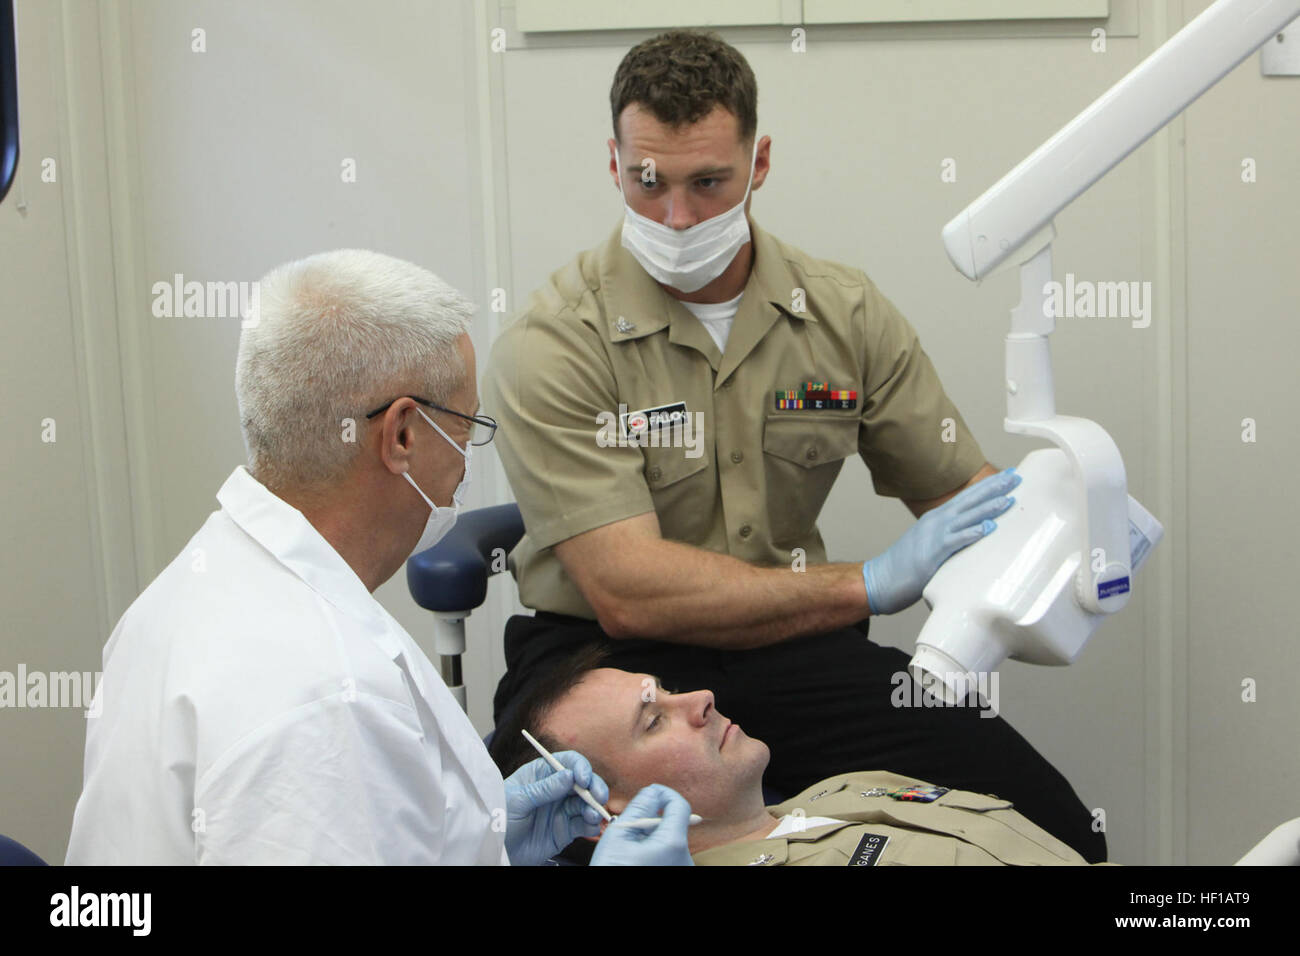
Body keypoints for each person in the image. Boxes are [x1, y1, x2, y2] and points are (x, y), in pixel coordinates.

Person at [482, 29, 1105, 861]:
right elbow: (630, 591)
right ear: (614, 163)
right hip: (608, 662)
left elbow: (965, 498)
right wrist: (874, 583)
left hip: (792, 649)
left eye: (708, 182)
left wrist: (1059, 537)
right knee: (569, 840)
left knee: (1053, 825)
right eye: (649, 182)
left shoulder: (844, 316)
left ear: (759, 162)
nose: (676, 216)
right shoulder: (554, 340)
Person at [65, 249, 691, 866]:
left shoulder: (188, 594)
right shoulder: (327, 702)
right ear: (403, 435)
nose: (467, 460)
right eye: (468, 429)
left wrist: (480, 841)